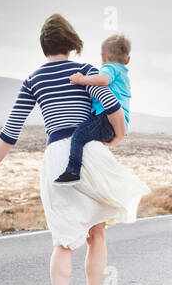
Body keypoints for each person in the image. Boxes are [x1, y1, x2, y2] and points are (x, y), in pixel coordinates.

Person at [0, 14, 149, 285]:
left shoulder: (33, 79)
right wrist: (119, 136)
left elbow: (10, 131)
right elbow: (111, 106)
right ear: (72, 43)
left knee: (63, 241)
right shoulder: (85, 71)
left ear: (44, 46)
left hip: (57, 155)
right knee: (97, 233)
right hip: (91, 152)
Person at [55, 33, 133, 184]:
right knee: (90, 145)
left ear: (103, 57)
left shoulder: (111, 68)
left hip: (104, 118)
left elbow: (103, 80)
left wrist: (81, 80)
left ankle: (73, 171)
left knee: (78, 136)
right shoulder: (124, 76)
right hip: (118, 125)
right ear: (128, 60)